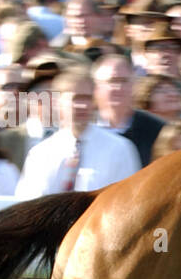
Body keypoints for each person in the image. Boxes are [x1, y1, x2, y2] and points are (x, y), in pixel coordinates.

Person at [15, 68, 142, 196]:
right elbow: (28, 201)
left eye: (87, 98)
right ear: (57, 101)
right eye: (76, 98)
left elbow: (129, 198)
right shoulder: (41, 153)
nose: (83, 105)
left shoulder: (119, 148)